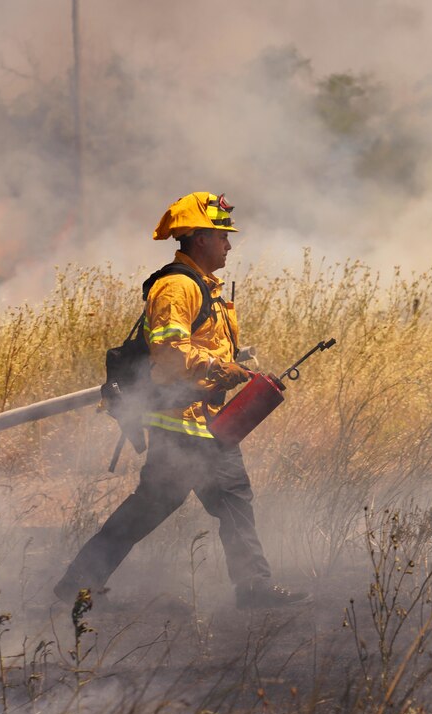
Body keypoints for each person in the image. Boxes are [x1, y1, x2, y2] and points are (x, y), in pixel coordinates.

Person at [54, 191, 310, 610]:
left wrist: (227, 368)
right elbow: (170, 356)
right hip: (183, 424)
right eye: (221, 236)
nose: (228, 245)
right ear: (198, 239)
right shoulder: (177, 288)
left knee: (206, 501)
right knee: (212, 500)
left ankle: (78, 583)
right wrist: (217, 369)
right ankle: (252, 587)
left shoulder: (203, 287)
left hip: (203, 422)